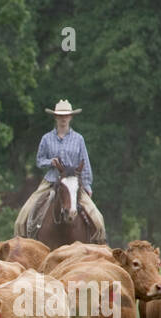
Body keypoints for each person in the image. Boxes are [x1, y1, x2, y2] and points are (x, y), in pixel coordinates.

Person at [15, 100, 106, 243]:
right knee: (22, 219)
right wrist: (50, 161)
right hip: (51, 181)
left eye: (66, 116)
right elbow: (39, 160)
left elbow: (85, 163)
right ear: (55, 117)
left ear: (70, 117)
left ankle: (100, 247)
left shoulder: (78, 139)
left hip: (73, 184)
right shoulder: (47, 138)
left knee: (98, 220)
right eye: (60, 116)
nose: (63, 119)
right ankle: (24, 246)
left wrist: (87, 185)